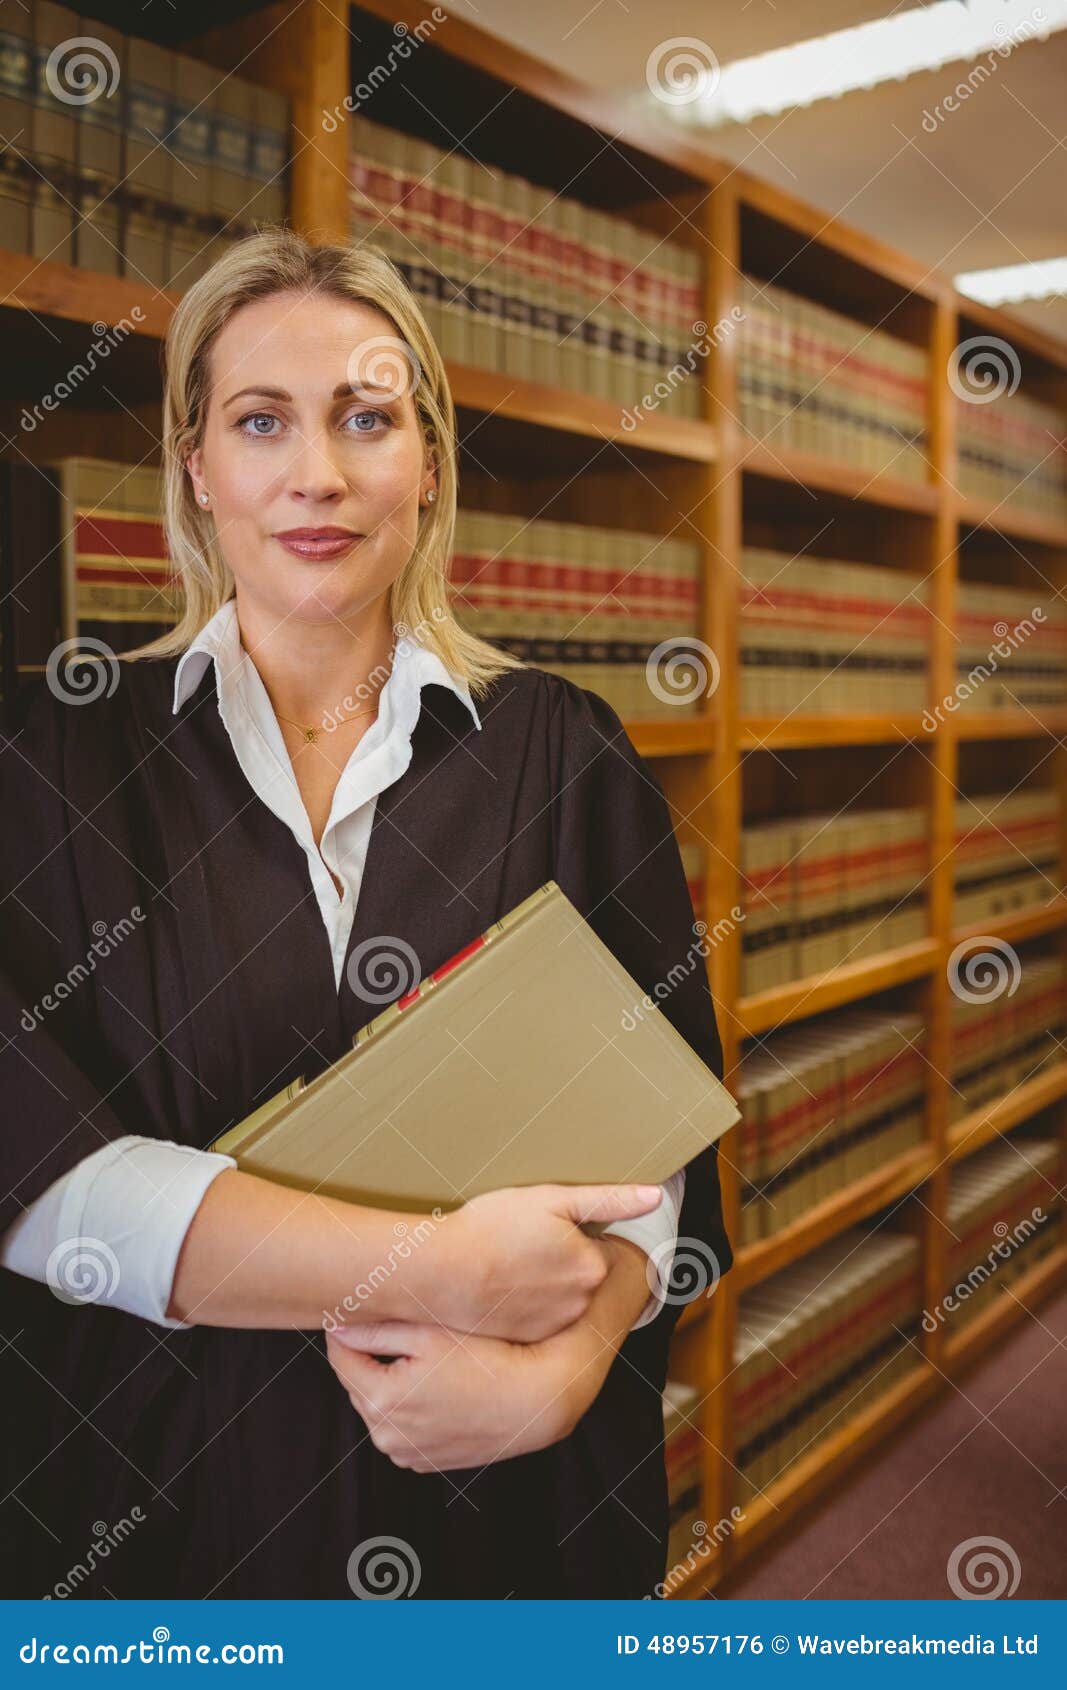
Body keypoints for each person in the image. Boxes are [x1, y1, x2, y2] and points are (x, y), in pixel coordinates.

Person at [0, 229, 731, 1599]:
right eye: (261, 420)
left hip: (511, 1510)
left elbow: (662, 1138)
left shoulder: (566, 753)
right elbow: (39, 1181)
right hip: (166, 1504)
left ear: (432, 463)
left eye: (368, 418)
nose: (318, 474)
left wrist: (568, 1372)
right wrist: (437, 1265)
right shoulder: (56, 760)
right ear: (196, 466)